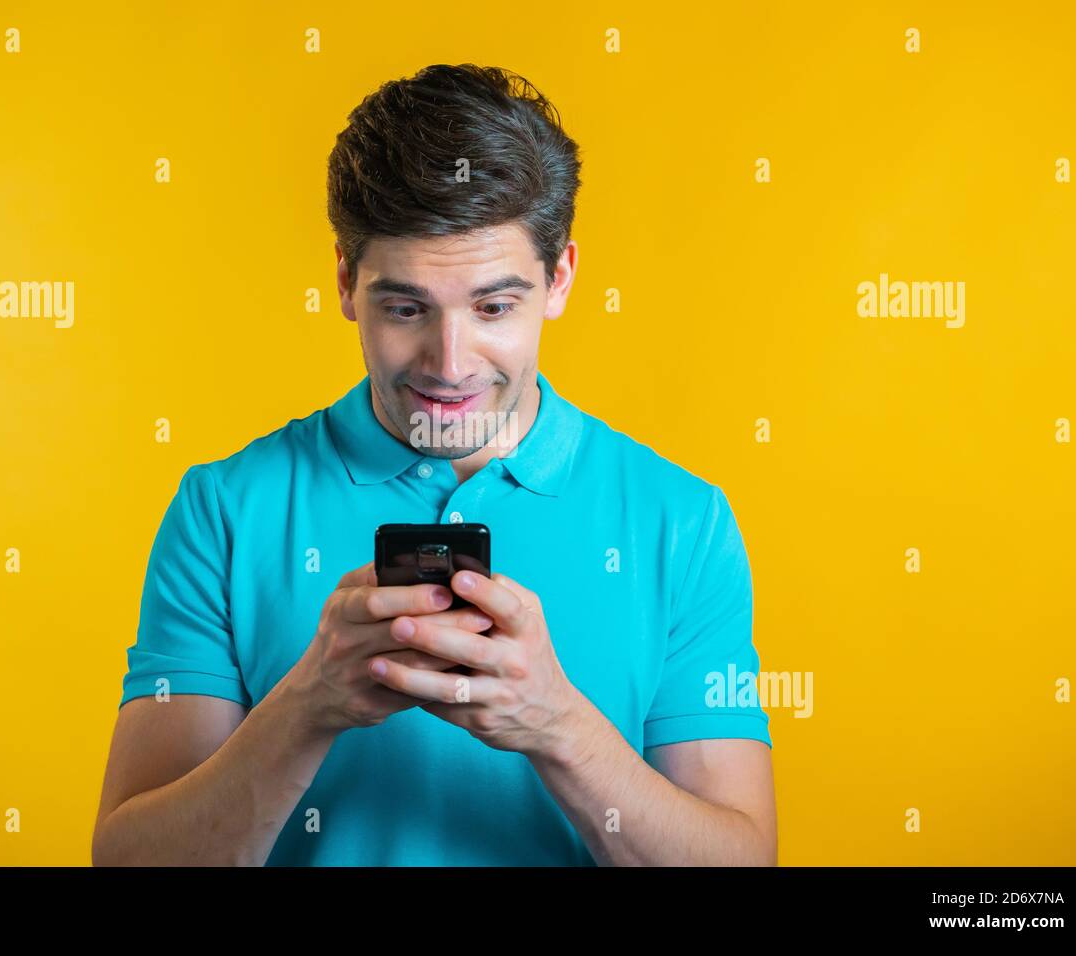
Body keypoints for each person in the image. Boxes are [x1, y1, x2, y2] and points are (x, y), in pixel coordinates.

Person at [92, 63, 776, 866]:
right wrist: (308, 706)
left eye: (493, 306)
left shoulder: (682, 523)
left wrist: (557, 724)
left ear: (559, 281)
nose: (449, 365)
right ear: (346, 283)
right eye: (406, 307)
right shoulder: (223, 511)